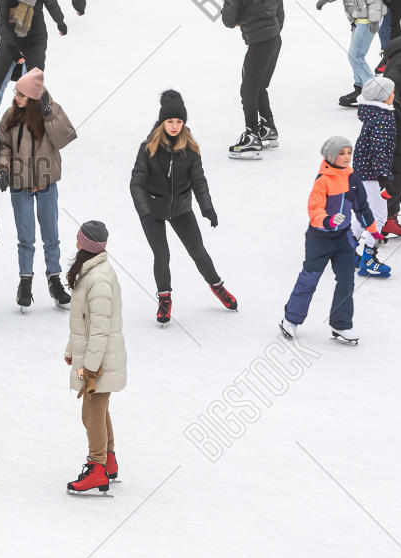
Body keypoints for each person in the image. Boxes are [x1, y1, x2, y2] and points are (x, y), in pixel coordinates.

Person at [129, 91, 236, 327]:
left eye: (179, 121)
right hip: (153, 209)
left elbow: (199, 181)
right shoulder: (148, 148)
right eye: (170, 121)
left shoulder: (191, 149)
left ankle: (217, 286)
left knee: (198, 251)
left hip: (181, 208)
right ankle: (164, 298)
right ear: (162, 122)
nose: (175, 126)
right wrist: (144, 211)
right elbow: (136, 181)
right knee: (162, 255)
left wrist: (207, 208)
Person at [277, 136, 374, 346]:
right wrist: (328, 221)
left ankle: (341, 324)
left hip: (344, 238)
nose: (347, 157)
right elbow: (314, 210)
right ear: (331, 156)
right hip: (319, 239)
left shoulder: (352, 178)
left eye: (349, 152)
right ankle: (290, 319)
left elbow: (361, 206)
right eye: (342, 153)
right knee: (309, 279)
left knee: (347, 280)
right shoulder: (323, 180)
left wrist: (373, 229)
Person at [0, 68, 75, 311]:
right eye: (16, 92)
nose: (16, 97)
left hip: (46, 184)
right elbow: (4, 145)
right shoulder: (11, 115)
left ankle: (54, 280)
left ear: (32, 96)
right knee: (26, 238)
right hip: (20, 186)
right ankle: (25, 281)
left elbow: (64, 138)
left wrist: (49, 114)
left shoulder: (52, 112)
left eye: (21, 94)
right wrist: (3, 169)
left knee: (51, 236)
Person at [63, 221, 126, 496]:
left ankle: (97, 467)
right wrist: (71, 351)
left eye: (79, 240)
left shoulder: (98, 279)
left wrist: (89, 369)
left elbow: (99, 330)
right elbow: (84, 322)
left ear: (84, 244)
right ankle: (108, 461)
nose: (76, 243)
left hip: (98, 363)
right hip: (95, 358)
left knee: (91, 413)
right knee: (100, 410)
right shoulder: (92, 272)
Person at [223, 0, 285, 158]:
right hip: (274, 39)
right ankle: (267, 128)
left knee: (248, 89)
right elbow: (280, 14)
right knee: (259, 86)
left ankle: (252, 137)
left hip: (260, 42)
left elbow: (228, 20)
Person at [0, 0, 67, 117]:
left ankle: (26, 120)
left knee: (30, 84)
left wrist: (60, 21)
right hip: (10, 39)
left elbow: (51, 3)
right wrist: (11, 47)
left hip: (35, 39)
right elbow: (1, 20)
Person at [352, 75, 398, 275]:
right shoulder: (383, 119)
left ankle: (347, 251)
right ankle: (368, 259)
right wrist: (383, 176)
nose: (394, 95)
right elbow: (378, 150)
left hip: (362, 172)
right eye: (391, 93)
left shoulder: (373, 115)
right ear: (384, 97)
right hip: (371, 174)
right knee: (378, 216)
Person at [374, 20, 401, 238]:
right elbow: (389, 87)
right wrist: (397, 114)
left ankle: (390, 218)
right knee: (398, 170)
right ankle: (382, 219)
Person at [324, 0, 389, 107]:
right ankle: (361, 89)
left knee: (356, 56)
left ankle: (374, 93)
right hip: (359, 18)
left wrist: (374, 19)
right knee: (355, 56)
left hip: (368, 19)